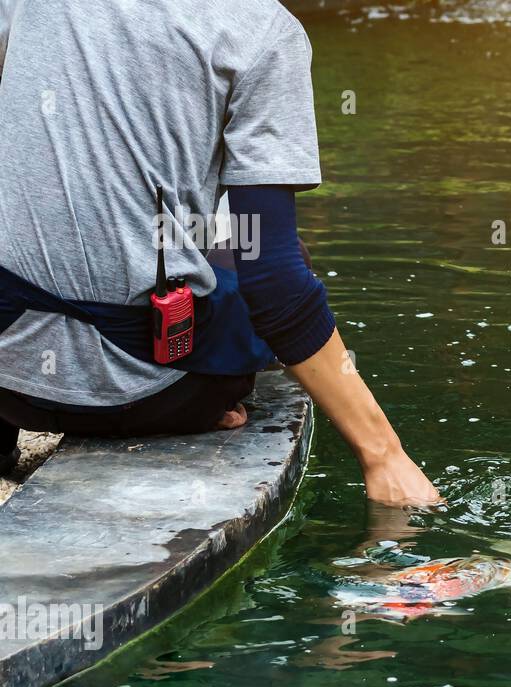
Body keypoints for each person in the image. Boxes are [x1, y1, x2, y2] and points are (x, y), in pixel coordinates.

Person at [0, 0, 443, 508]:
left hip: (8, 386)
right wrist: (384, 456)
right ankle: (205, 395)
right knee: (263, 243)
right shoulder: (261, 30)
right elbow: (275, 283)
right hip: (146, 396)